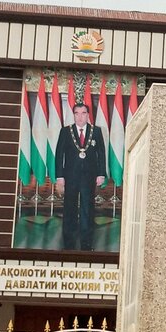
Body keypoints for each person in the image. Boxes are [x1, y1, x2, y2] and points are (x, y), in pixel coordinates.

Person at [54, 103, 106, 250]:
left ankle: (86, 243)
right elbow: (59, 155)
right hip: (70, 176)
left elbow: (101, 153)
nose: (80, 117)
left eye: (83, 113)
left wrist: (101, 173)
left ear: (88, 115)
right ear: (74, 115)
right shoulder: (66, 131)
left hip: (89, 176)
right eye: (77, 113)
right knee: (69, 208)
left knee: (87, 209)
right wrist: (60, 176)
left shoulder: (96, 131)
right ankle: (68, 242)